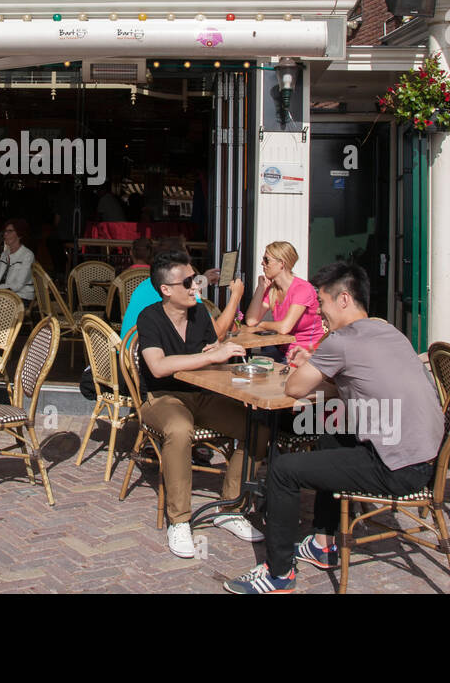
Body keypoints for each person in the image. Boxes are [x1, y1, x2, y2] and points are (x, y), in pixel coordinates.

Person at [224, 263, 444, 594]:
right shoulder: (388, 331)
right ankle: (324, 542)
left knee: (283, 470)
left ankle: (278, 573)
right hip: (425, 460)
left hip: (396, 466)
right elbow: (357, 379)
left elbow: (296, 388)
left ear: (343, 299)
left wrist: (310, 364)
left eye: (323, 304)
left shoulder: (340, 340)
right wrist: (318, 360)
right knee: (331, 432)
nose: (320, 313)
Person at [135, 250, 260, 558]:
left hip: (202, 395)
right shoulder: (150, 317)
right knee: (179, 429)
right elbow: (158, 367)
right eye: (189, 282)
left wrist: (217, 350)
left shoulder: (200, 313)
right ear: (166, 289)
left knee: (257, 426)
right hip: (163, 397)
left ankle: (230, 508)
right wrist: (208, 356)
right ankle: (179, 521)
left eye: (196, 280)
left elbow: (210, 350)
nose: (197, 287)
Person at [121, 237, 236, 340]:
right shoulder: (181, 295)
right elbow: (217, 334)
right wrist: (236, 295)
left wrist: (200, 280)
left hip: (126, 356)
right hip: (143, 358)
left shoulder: (148, 284)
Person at [244, 241, 324, 360]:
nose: (262, 263)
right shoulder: (272, 289)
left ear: (281, 263)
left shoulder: (302, 289)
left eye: (266, 260)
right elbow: (251, 321)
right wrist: (260, 288)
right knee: (249, 366)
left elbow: (284, 327)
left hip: (306, 353)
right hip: (284, 351)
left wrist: (261, 324)